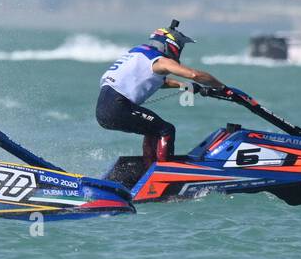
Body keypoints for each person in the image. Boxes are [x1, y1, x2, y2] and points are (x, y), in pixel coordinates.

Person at [95, 20, 225, 163]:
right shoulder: (160, 60)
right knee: (166, 130)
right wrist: (222, 87)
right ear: (172, 46)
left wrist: (184, 86)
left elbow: (160, 81)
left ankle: (149, 169)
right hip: (118, 107)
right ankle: (164, 172)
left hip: (103, 109)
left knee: (152, 130)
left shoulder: (138, 52)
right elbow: (195, 75)